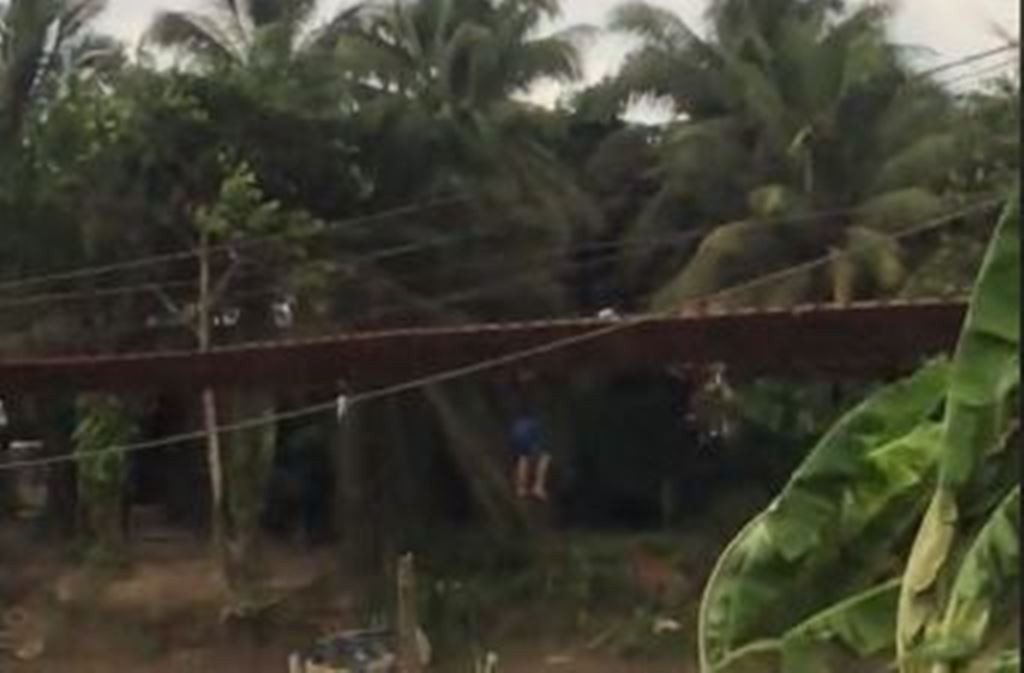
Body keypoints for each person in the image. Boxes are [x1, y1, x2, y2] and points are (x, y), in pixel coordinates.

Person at [510, 409, 551, 501]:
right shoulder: (535, 424)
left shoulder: (518, 423)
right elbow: (537, 442)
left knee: (522, 458)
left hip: (516, 438)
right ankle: (538, 487)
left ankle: (521, 488)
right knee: (544, 458)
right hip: (525, 438)